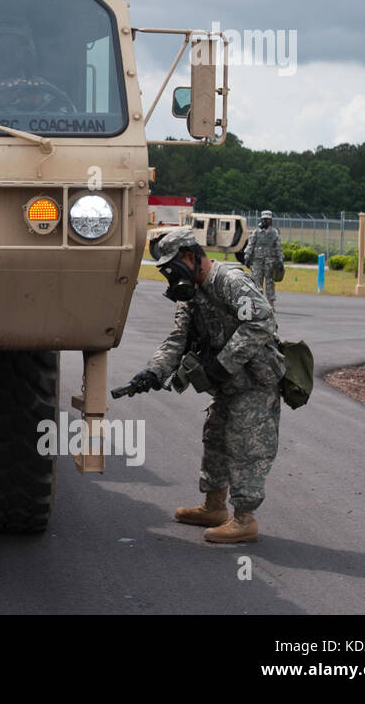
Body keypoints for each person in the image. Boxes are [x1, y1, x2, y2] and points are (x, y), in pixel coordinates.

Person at [124, 228, 286, 544]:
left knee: (245, 444)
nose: (172, 276)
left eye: (173, 267)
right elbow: (179, 338)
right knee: (215, 437)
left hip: (254, 380)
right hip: (227, 383)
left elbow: (262, 322)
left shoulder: (229, 281)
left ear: (191, 256)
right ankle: (214, 507)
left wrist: (222, 364)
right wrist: (153, 372)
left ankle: (245, 520)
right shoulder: (192, 293)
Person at [243, 210, 284, 306]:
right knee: (257, 282)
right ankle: (258, 304)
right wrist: (247, 257)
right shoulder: (256, 232)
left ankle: (271, 304)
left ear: (270, 220)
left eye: (267, 219)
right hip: (257, 262)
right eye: (264, 219)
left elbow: (278, 247)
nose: (265, 221)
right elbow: (250, 245)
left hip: (270, 262)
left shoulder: (274, 233)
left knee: (270, 282)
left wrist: (280, 260)